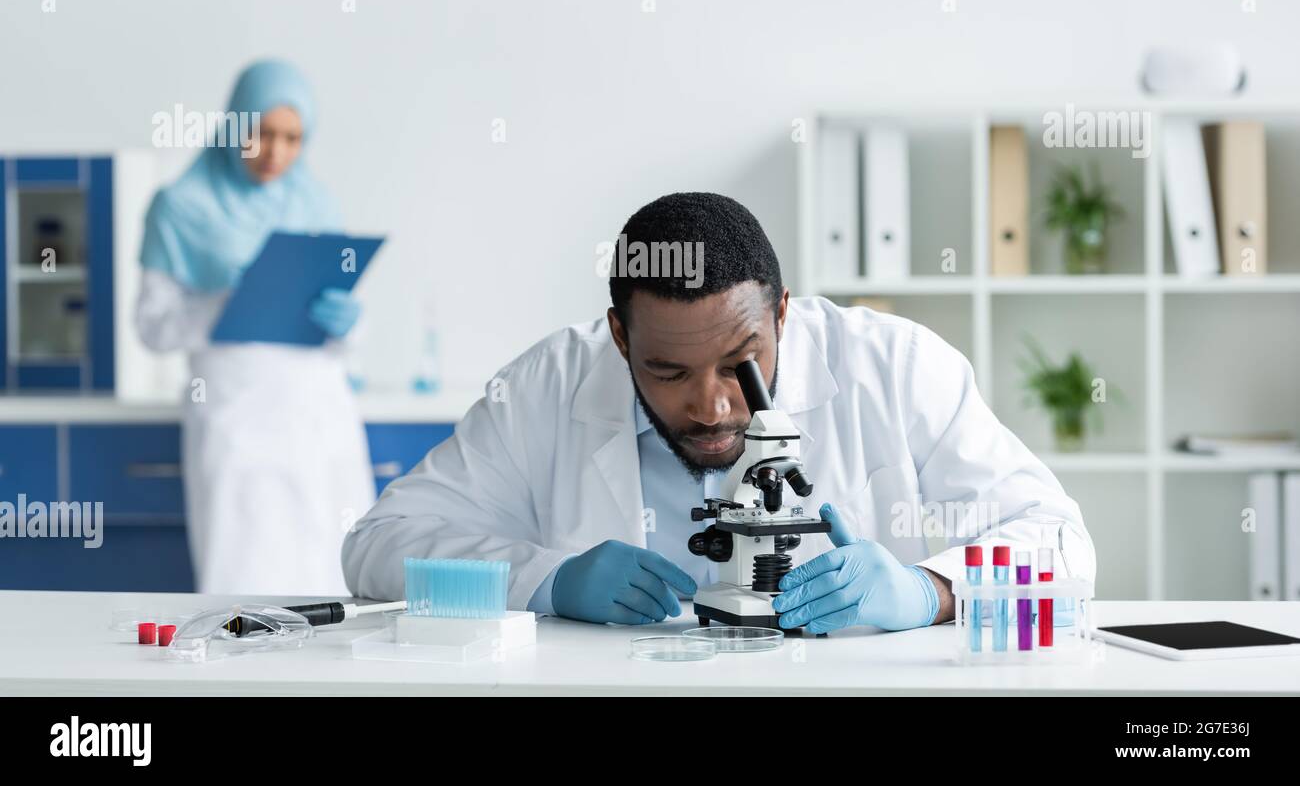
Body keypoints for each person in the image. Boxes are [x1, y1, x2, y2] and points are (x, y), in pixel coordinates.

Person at [343, 192, 1095, 633]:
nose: (710, 403)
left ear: (783, 316)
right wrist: (546, 579)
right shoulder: (549, 382)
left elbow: (1064, 545)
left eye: (741, 362)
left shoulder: (891, 365)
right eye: (667, 370)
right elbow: (378, 548)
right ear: (619, 336)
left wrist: (929, 590)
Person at [137, 59, 375, 595]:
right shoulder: (179, 206)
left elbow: (342, 326)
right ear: (235, 124)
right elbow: (151, 327)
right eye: (262, 132)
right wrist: (223, 306)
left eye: (292, 138)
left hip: (320, 413)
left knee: (338, 579)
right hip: (237, 415)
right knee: (245, 581)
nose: (276, 152)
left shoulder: (315, 201)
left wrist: (350, 325)